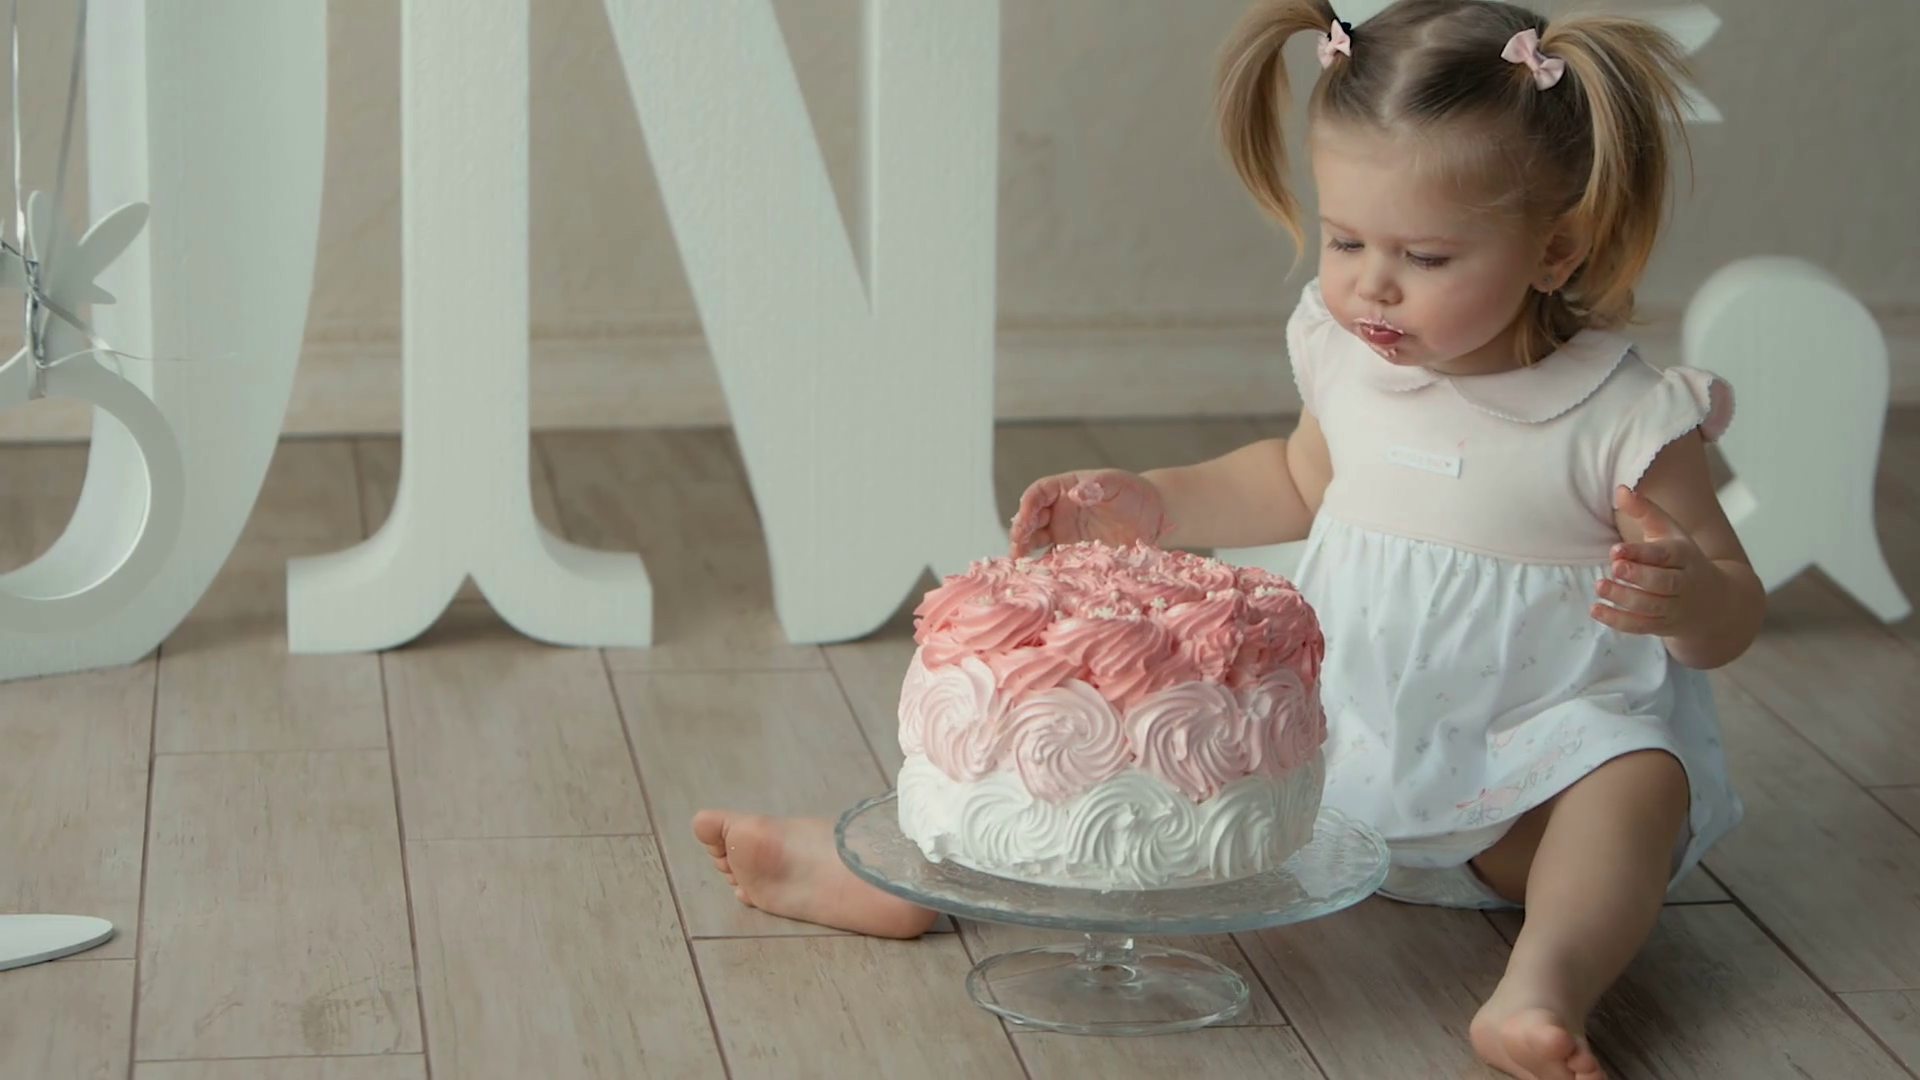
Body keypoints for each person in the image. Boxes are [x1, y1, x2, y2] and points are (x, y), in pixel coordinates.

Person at [693, 3, 1762, 1077]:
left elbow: (1730, 603)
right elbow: (1297, 479)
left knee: (1632, 780)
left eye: (1425, 255)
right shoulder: (1351, 362)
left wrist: (1689, 601)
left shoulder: (1625, 415)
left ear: (1556, 246)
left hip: (1525, 789)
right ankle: (895, 877)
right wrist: (1155, 500)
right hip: (1333, 755)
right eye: (1346, 240)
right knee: (1132, 769)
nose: (1371, 284)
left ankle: (1541, 987)